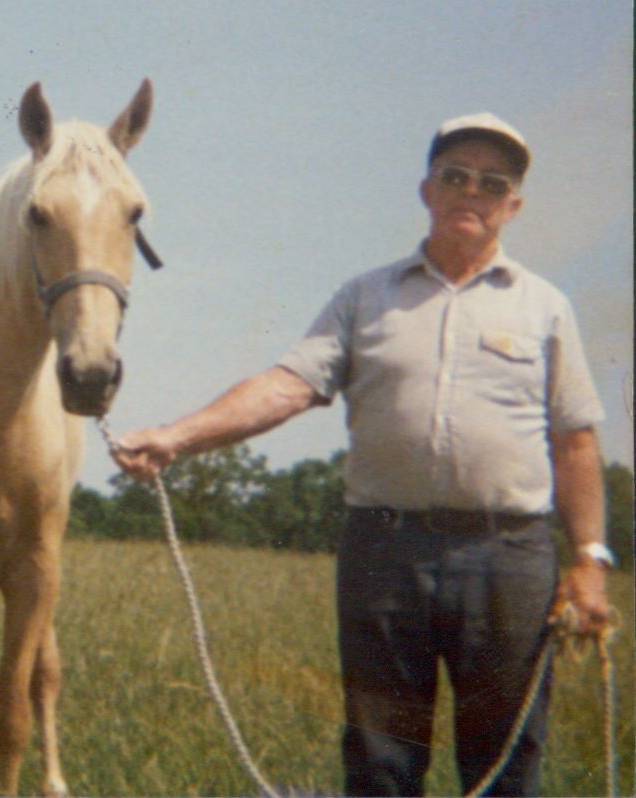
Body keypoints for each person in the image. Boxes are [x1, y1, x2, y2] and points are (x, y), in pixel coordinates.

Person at [111, 113, 612, 797]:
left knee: (505, 756)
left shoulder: (544, 307)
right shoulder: (365, 296)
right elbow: (288, 385)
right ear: (427, 190)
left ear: (513, 207)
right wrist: (176, 436)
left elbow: (575, 441)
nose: (472, 191)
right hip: (384, 551)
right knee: (381, 756)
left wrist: (589, 561)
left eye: (492, 183)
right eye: (455, 176)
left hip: (508, 555)